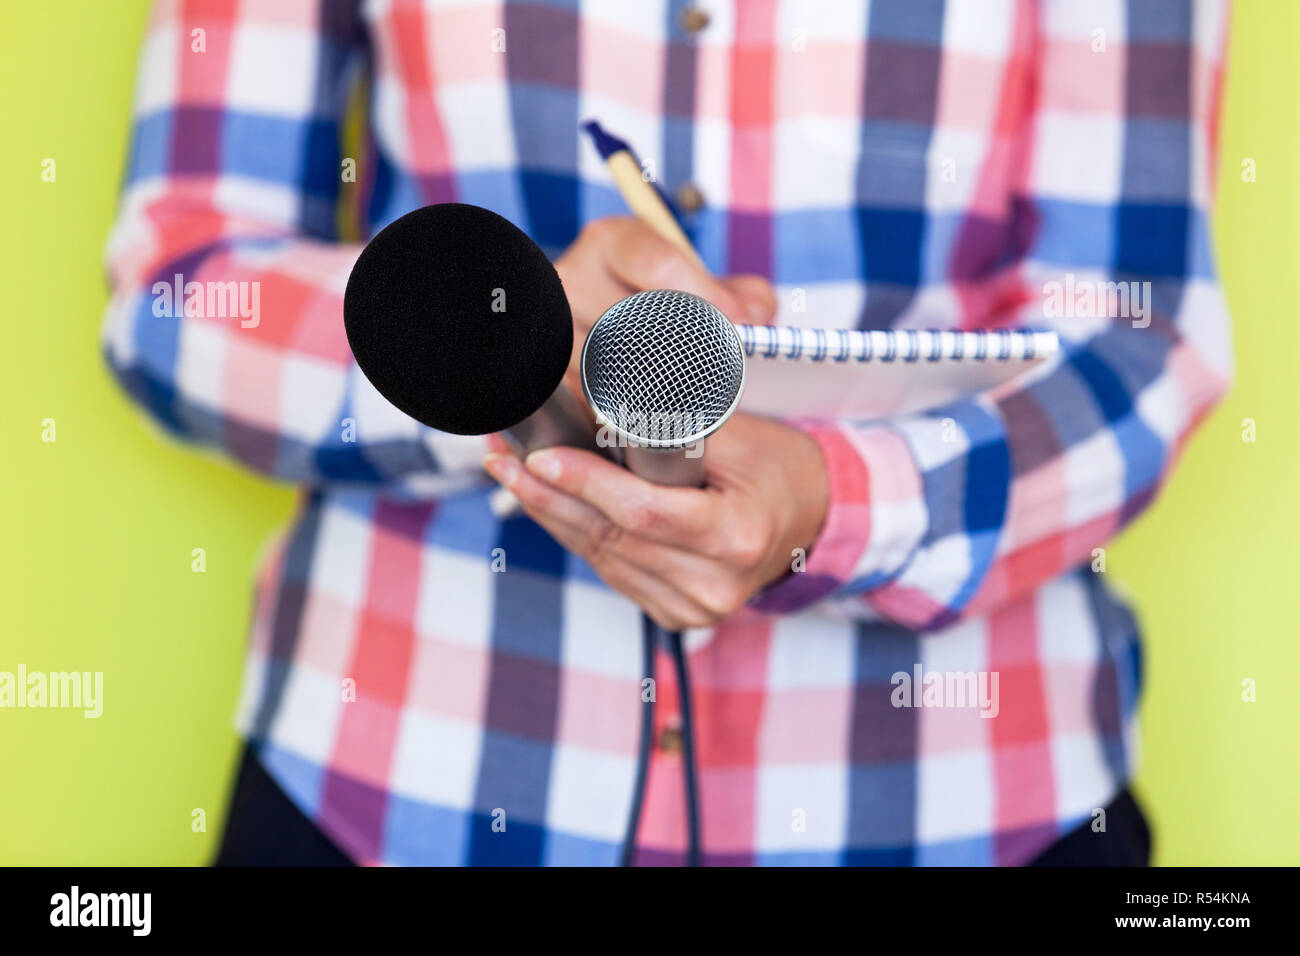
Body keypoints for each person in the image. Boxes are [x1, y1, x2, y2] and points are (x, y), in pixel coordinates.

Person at [103, 0, 1231, 866]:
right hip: (393, 787)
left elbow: (1136, 332)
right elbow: (178, 288)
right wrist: (515, 345)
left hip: (974, 802)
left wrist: (837, 503)